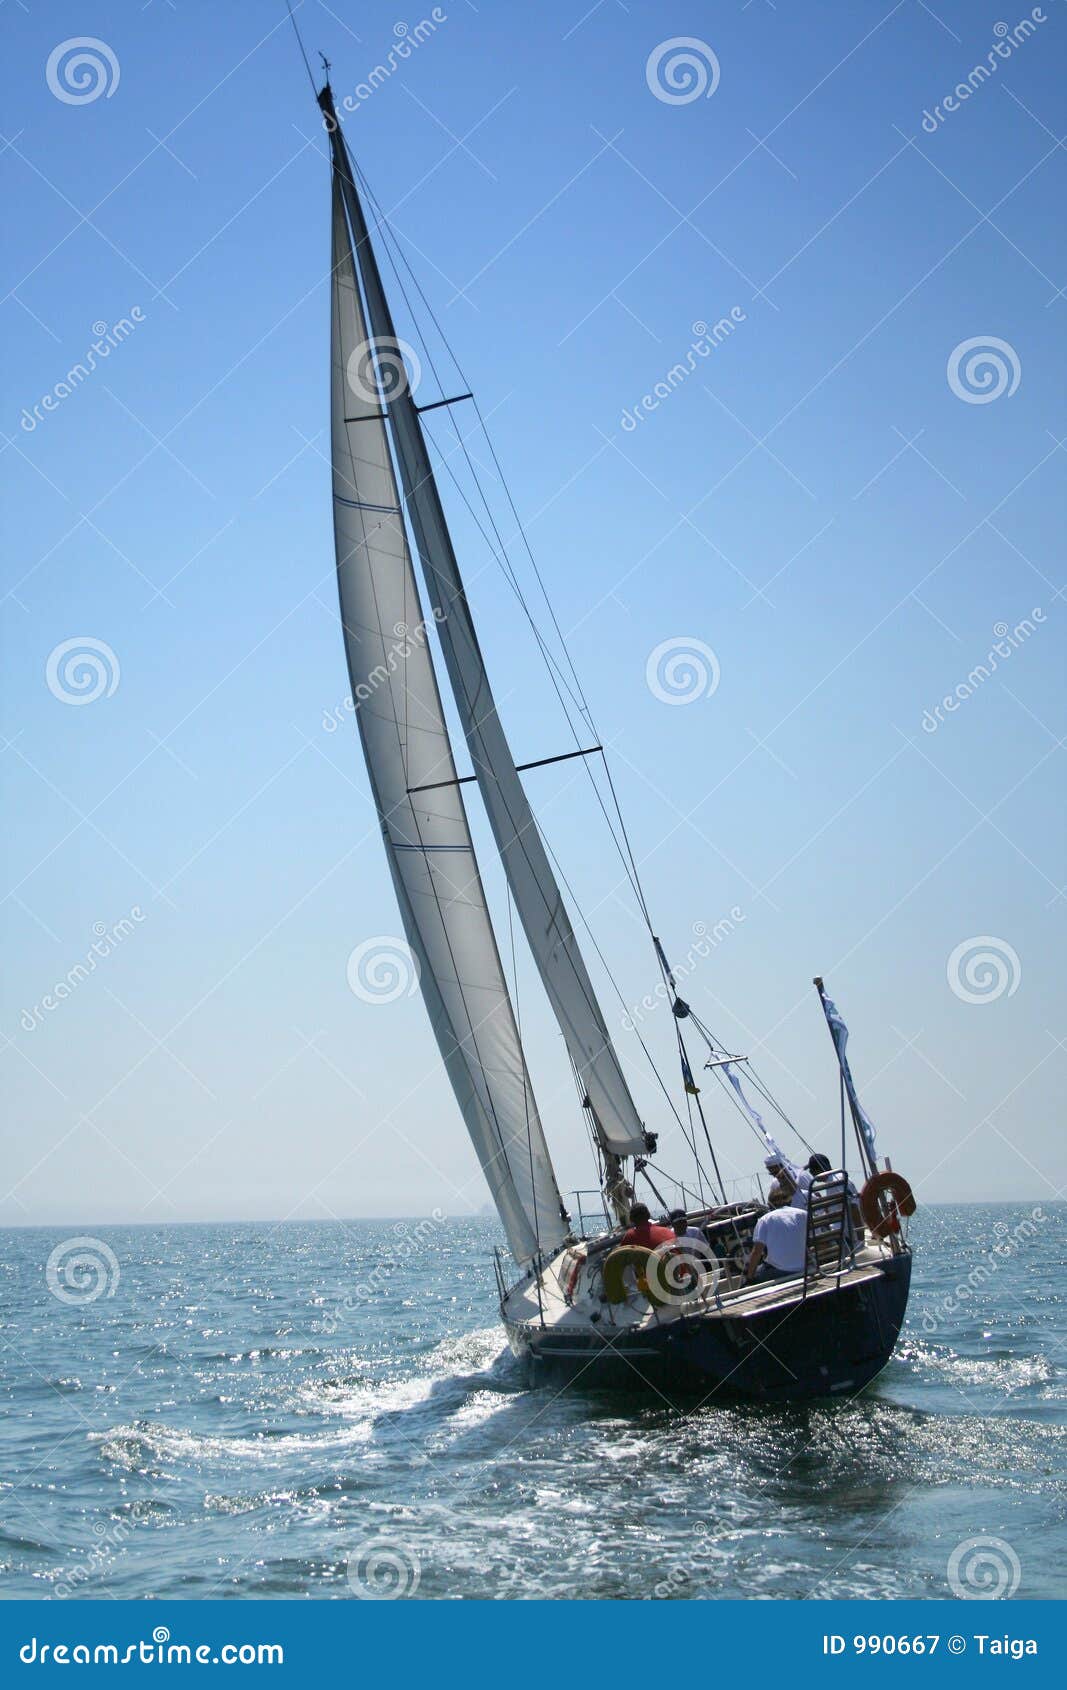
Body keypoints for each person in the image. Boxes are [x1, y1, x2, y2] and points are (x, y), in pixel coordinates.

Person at [743, 1187, 809, 1283]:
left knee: (752, 1274)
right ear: (790, 1201)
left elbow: (757, 1252)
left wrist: (749, 1278)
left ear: (770, 1204)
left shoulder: (765, 1220)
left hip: (779, 1271)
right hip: (805, 1267)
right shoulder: (804, 1214)